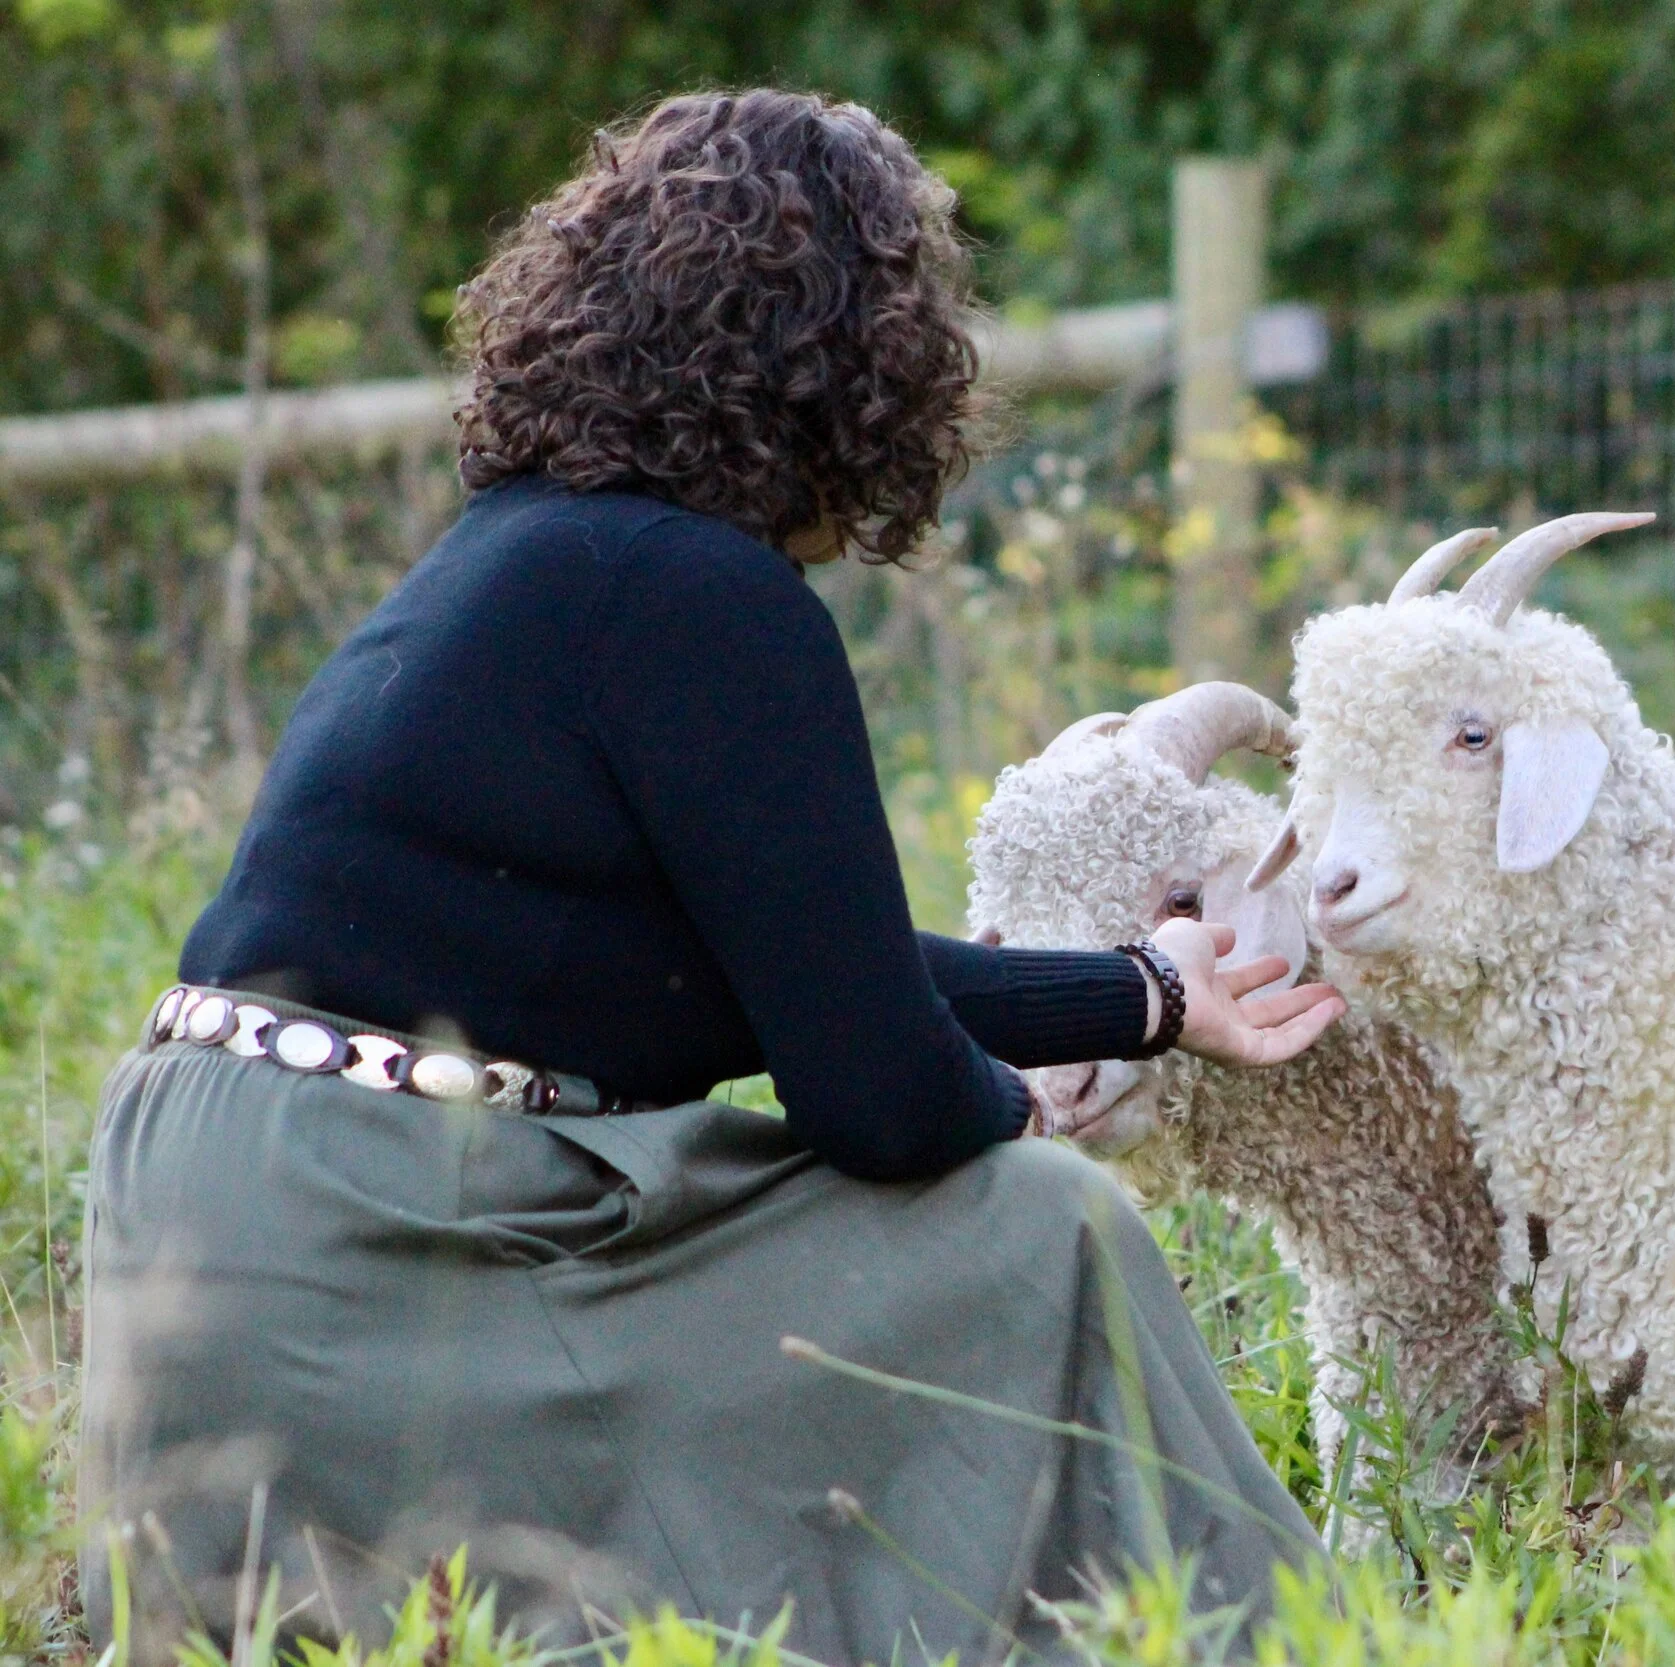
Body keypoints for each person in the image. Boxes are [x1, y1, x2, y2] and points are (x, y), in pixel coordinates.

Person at [80, 89, 1343, 1665]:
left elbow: (800, 963)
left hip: (199, 1259)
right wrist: (1019, 1111)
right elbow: (880, 1097)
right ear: (855, 366)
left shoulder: (519, 563)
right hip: (390, 1238)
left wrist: (1147, 998)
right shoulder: (710, 601)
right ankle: (1275, 1640)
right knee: (1044, 1223)